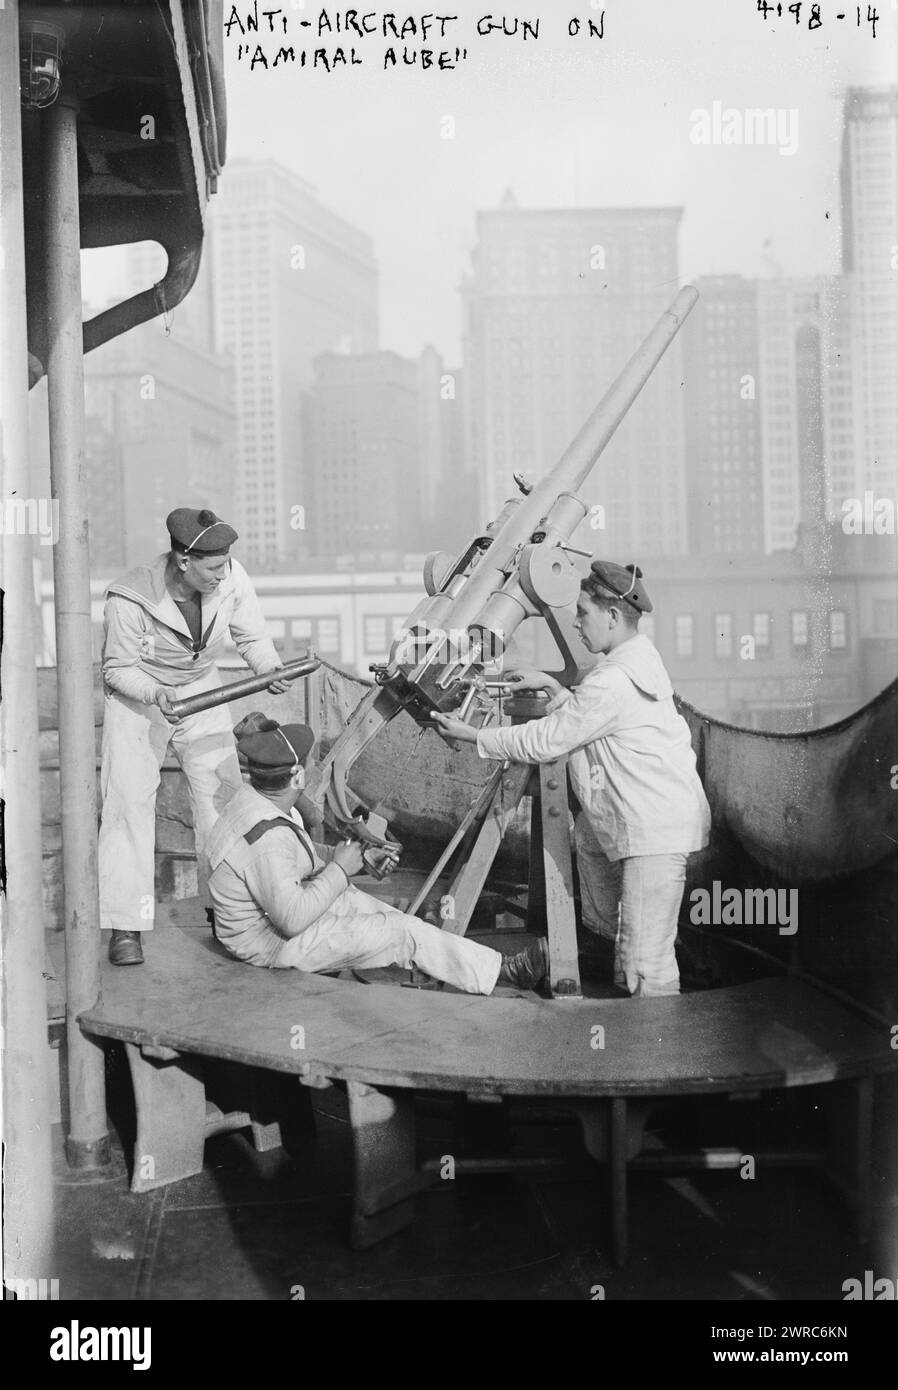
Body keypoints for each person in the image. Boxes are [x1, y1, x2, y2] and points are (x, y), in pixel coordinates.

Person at [433, 560, 711, 998]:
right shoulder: (635, 660)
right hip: (654, 823)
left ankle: (658, 1054)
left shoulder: (615, 680)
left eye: (583, 612)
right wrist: (551, 685)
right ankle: (632, 1043)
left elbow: (549, 740)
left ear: (613, 617)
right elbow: (595, 719)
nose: (576, 622)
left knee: (647, 965)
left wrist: (474, 735)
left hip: (655, 834)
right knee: (630, 952)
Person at [206, 719, 550, 993]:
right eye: (308, 766)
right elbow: (292, 918)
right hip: (269, 944)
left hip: (270, 923)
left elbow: (293, 859)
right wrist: (340, 869)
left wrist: (356, 857)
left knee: (372, 908)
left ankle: (447, 955)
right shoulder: (267, 836)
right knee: (401, 934)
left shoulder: (251, 802)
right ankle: (507, 972)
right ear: (296, 777)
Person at [99, 507, 292, 965]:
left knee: (221, 797)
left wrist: (267, 667)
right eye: (213, 566)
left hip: (201, 687)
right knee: (128, 804)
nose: (223, 574)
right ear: (183, 560)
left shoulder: (231, 576)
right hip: (141, 694)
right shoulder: (129, 597)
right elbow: (115, 669)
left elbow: (252, 636)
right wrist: (154, 692)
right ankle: (127, 927)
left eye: (226, 563)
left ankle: (224, 913)